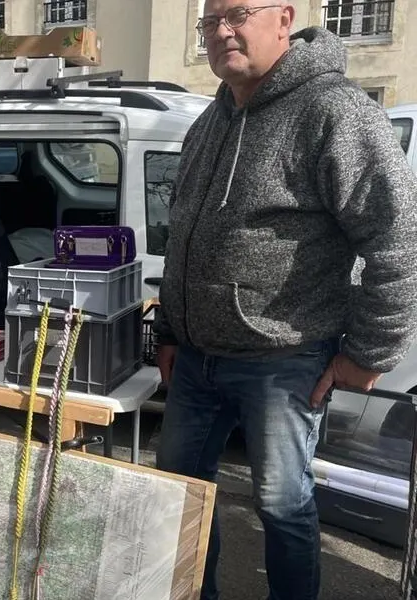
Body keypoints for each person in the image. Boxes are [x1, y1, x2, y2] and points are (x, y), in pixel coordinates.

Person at [151, 1, 417, 599]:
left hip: (284, 360)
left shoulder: (334, 110)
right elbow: (184, 236)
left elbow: (398, 237)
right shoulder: (211, 121)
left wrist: (370, 353)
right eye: (208, 21)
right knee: (179, 493)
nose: (221, 31)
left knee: (281, 504)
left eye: (236, 14)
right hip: (196, 359)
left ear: (283, 18)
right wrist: (169, 330)